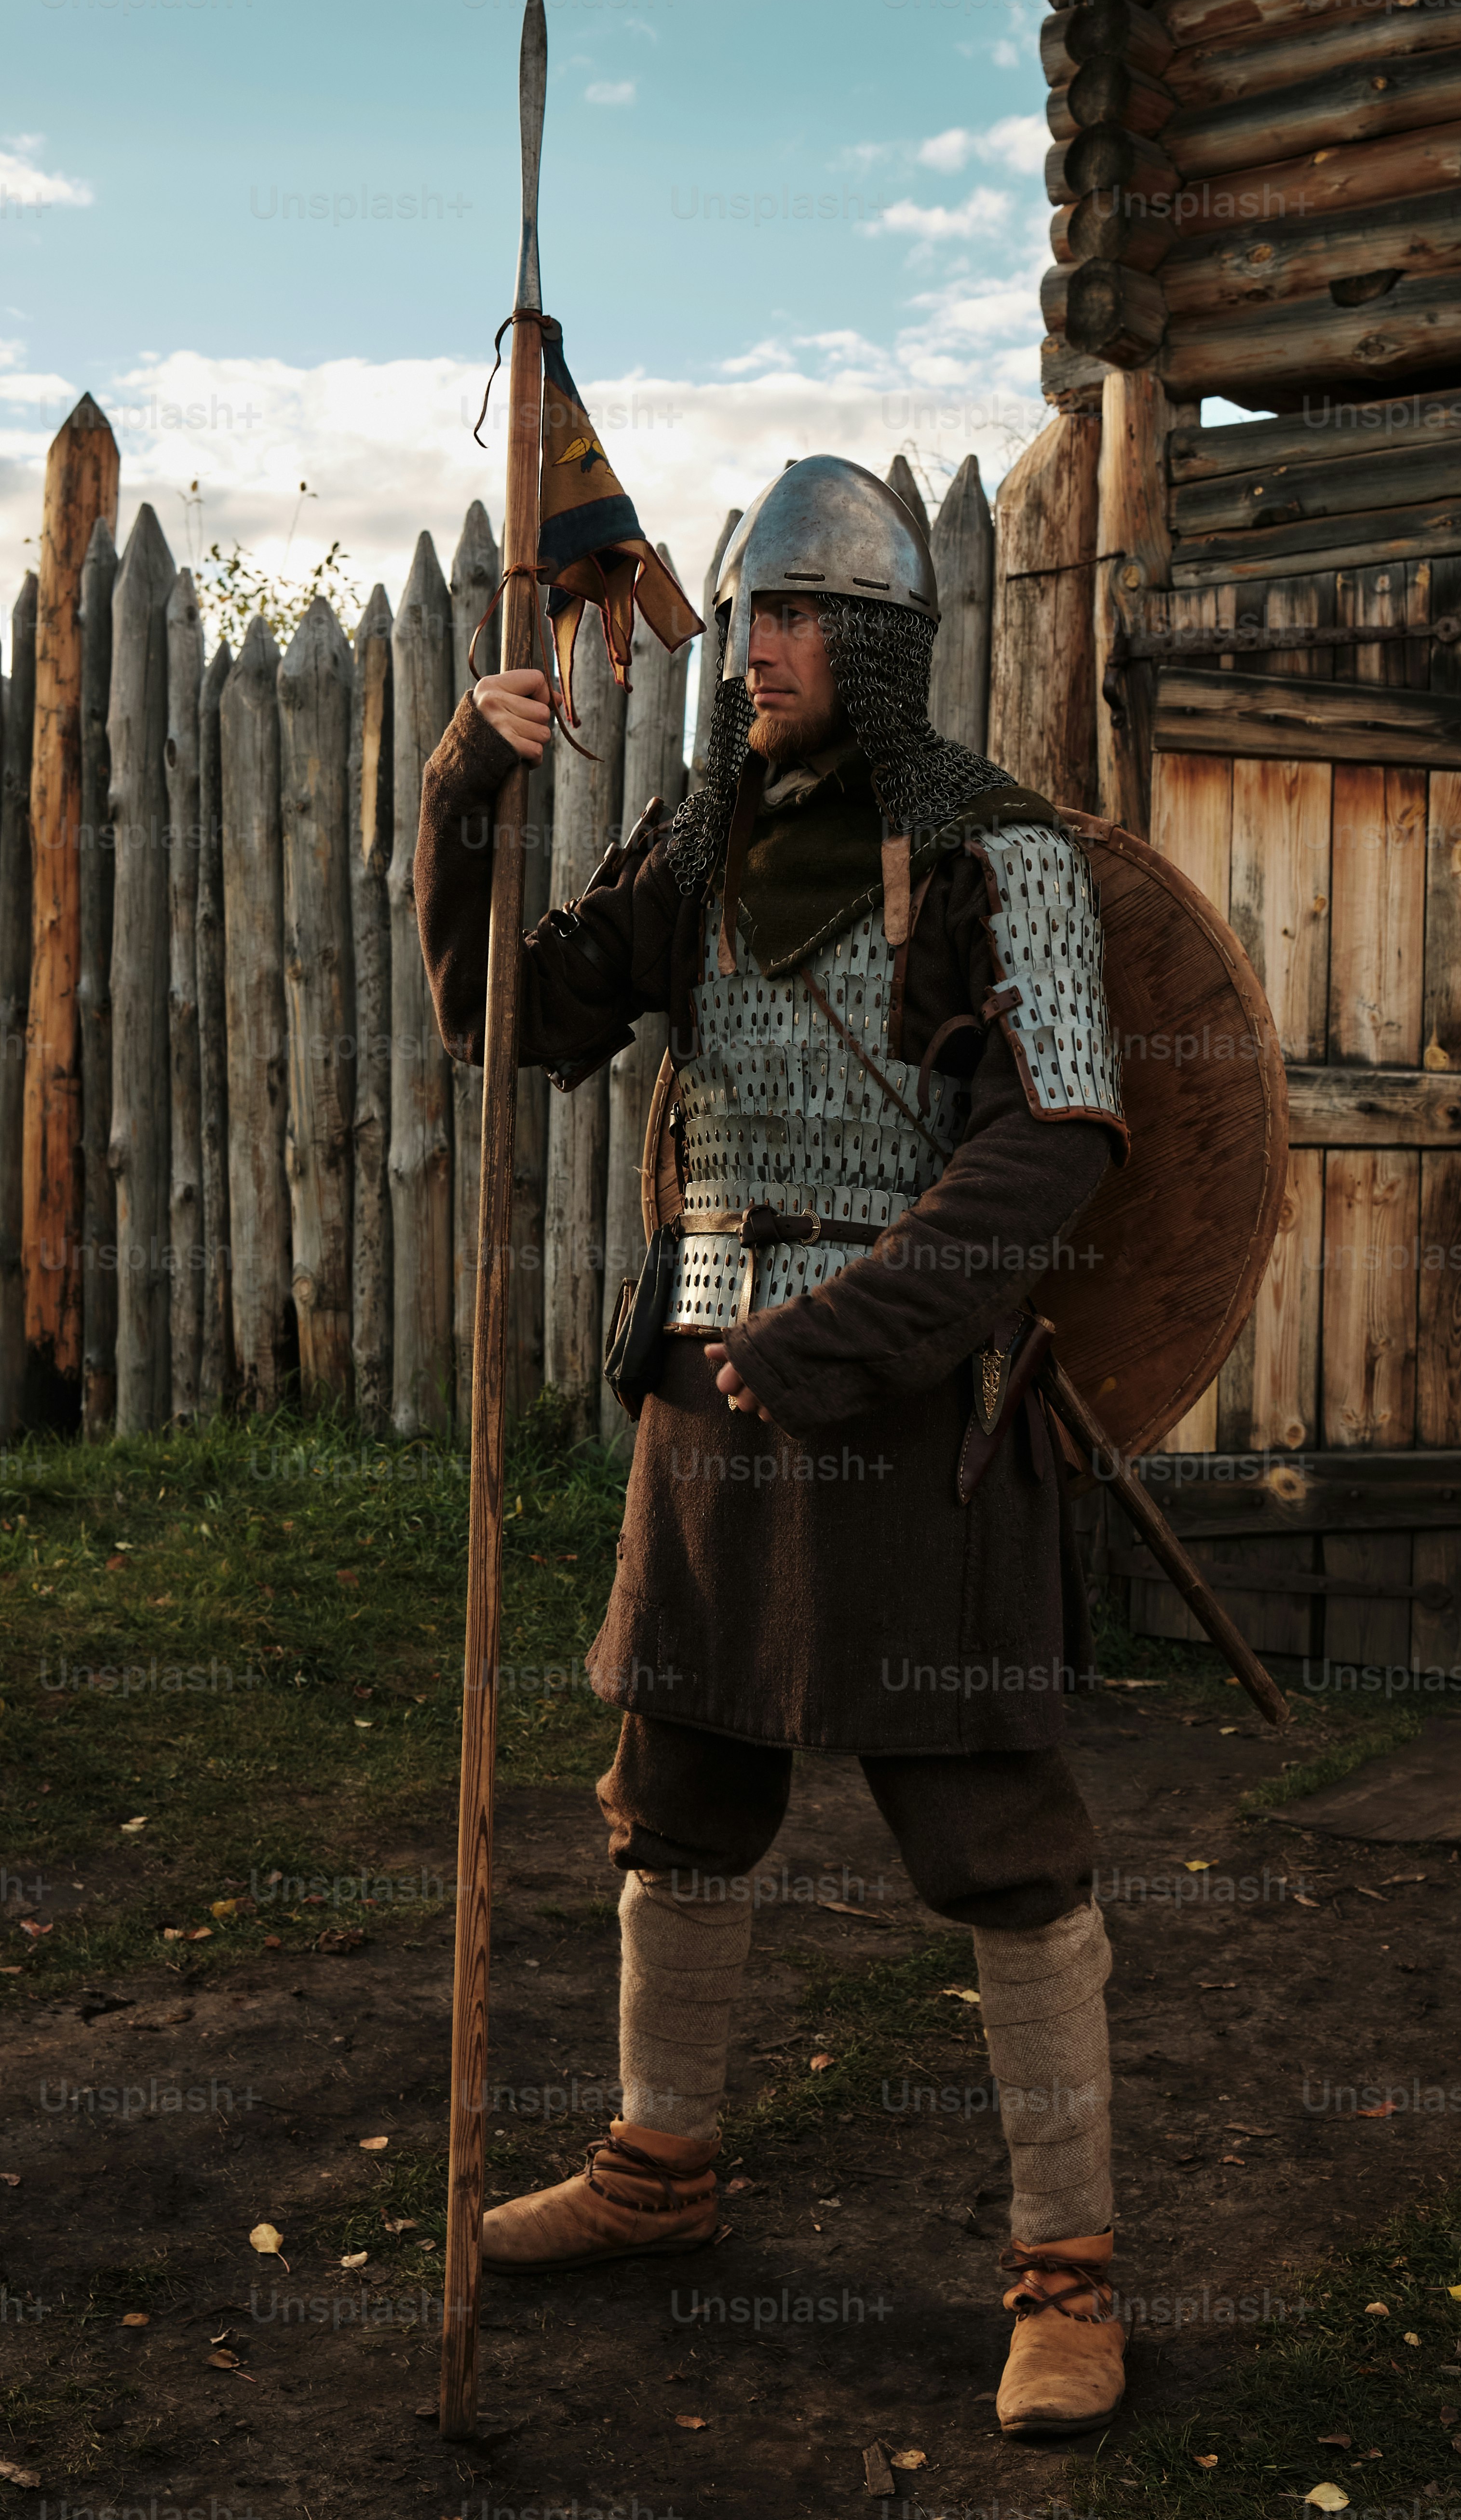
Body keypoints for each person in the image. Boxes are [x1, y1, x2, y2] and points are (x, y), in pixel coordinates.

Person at [415, 455, 1131, 2438]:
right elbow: (504, 1018)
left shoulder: (999, 854)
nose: (757, 650)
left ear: (884, 642)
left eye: (802, 614)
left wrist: (857, 1333)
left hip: (918, 1421)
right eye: (748, 614)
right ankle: (660, 2165)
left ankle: (1064, 2271)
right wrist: (463, 792)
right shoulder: (693, 841)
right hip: (706, 1388)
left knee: (990, 1830)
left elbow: (1047, 1145)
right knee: (677, 1786)